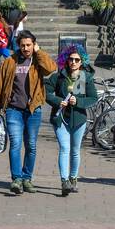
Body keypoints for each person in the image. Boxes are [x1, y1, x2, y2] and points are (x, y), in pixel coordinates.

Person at [0, 30, 57, 195]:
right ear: (18, 46)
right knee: (16, 144)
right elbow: (0, 83)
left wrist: (39, 52)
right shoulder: (10, 62)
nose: (26, 48)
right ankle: (17, 179)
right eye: (23, 45)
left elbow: (51, 68)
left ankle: (27, 178)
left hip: (33, 110)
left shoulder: (37, 60)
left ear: (34, 45)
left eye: (29, 45)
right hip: (14, 110)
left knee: (31, 146)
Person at [45, 47, 98, 195]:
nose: (73, 62)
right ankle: (64, 181)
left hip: (78, 120)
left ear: (82, 62)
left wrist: (78, 102)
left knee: (75, 151)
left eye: (77, 60)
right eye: (71, 59)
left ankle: (73, 178)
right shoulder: (59, 76)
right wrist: (57, 101)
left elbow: (93, 98)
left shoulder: (84, 77)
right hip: (61, 118)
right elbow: (45, 91)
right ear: (66, 60)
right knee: (64, 148)